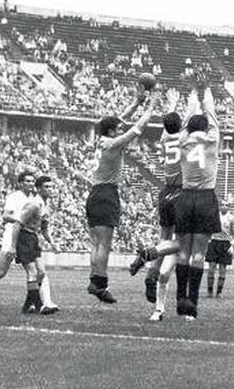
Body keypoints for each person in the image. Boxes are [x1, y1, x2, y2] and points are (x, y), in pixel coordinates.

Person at [85, 88, 154, 303]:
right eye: (117, 129)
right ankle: (100, 284)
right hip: (107, 193)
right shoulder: (114, 144)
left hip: (94, 193)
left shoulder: (101, 140)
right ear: (112, 131)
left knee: (96, 243)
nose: (119, 129)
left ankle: (94, 281)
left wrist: (136, 102)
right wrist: (150, 108)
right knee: (104, 243)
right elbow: (136, 128)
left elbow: (120, 120)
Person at [129, 88, 185, 321]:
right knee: (179, 242)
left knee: (165, 237)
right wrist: (181, 103)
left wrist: (171, 105)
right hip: (181, 191)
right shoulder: (184, 139)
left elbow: (169, 126)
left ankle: (151, 273)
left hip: (165, 191)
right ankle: (151, 261)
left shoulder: (164, 139)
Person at [0, 171, 55, 312]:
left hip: (26, 236)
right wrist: (21, 219)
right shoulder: (14, 197)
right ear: (20, 183)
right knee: (1, 272)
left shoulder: (35, 199)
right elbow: (5, 216)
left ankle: (33, 304)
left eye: (32, 181)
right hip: (12, 236)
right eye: (26, 181)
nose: (30, 184)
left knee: (34, 271)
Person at [172, 85, 222, 320]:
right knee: (199, 254)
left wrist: (192, 99)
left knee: (183, 252)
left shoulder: (183, 142)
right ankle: (193, 301)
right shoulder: (212, 140)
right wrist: (208, 94)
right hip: (205, 197)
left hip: (185, 196)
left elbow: (185, 124)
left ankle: (179, 299)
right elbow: (212, 116)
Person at [16, 175, 60, 314]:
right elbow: (18, 223)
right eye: (46, 187)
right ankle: (40, 305)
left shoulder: (46, 205)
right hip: (24, 237)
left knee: (41, 272)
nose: (50, 189)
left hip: (33, 238)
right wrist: (12, 245)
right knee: (33, 273)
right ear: (39, 189)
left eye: (51, 186)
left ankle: (28, 304)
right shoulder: (34, 204)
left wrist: (52, 243)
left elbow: (44, 229)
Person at [206, 203, 234, 298]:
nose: (224, 206)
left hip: (225, 244)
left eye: (226, 205)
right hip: (214, 242)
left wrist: (232, 245)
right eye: (222, 205)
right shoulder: (214, 216)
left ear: (228, 207)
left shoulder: (231, 218)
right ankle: (210, 291)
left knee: (222, 269)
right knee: (211, 268)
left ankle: (219, 292)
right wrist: (208, 240)